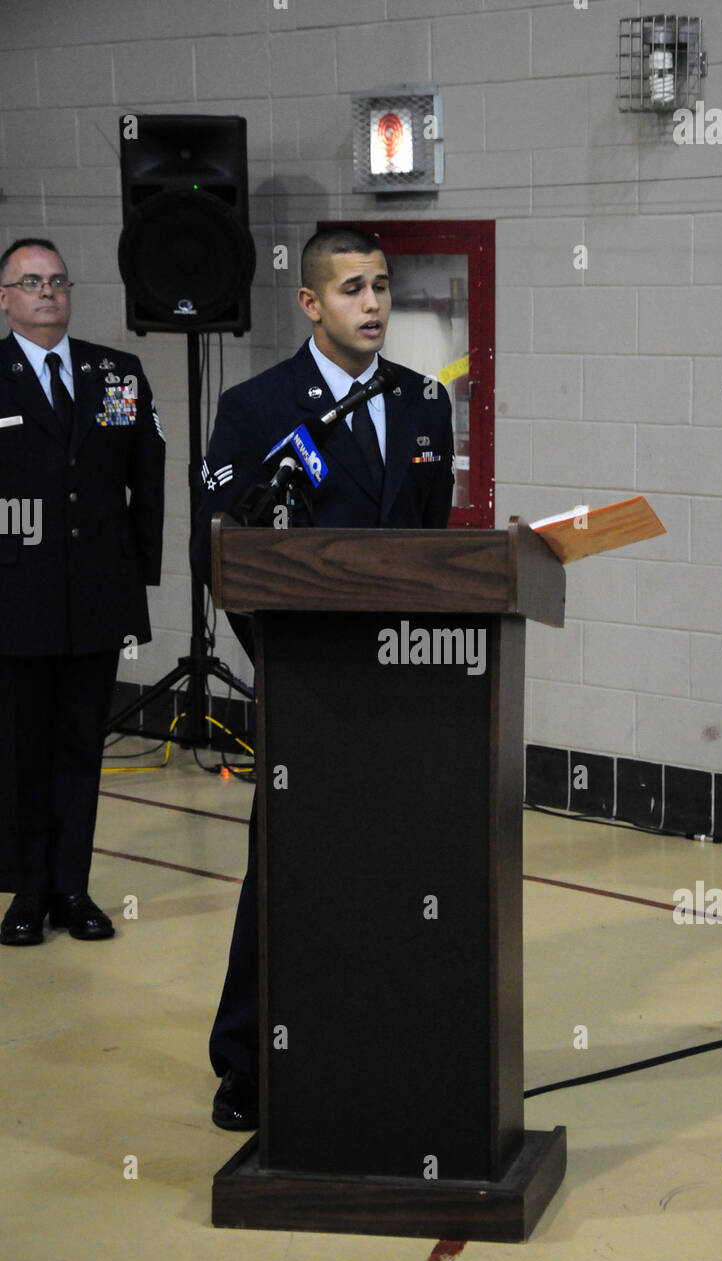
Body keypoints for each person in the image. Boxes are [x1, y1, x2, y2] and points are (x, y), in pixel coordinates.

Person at [191, 225, 454, 1129]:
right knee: (288, 873)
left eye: (381, 285)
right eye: (351, 289)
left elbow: (431, 543)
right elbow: (221, 555)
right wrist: (287, 661)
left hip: (406, 684)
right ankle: (247, 1059)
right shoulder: (258, 407)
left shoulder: (424, 403)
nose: (373, 304)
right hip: (307, 682)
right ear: (310, 303)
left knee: (396, 873)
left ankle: (380, 1037)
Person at [0, 238, 165, 946]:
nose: (47, 293)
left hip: (97, 598)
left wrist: (139, 573)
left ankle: (73, 886)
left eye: (58, 281)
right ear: (4, 297)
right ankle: (27, 891)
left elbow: (148, 477)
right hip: (14, 600)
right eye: (31, 282)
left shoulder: (115, 374)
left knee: (81, 749)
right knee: (21, 751)